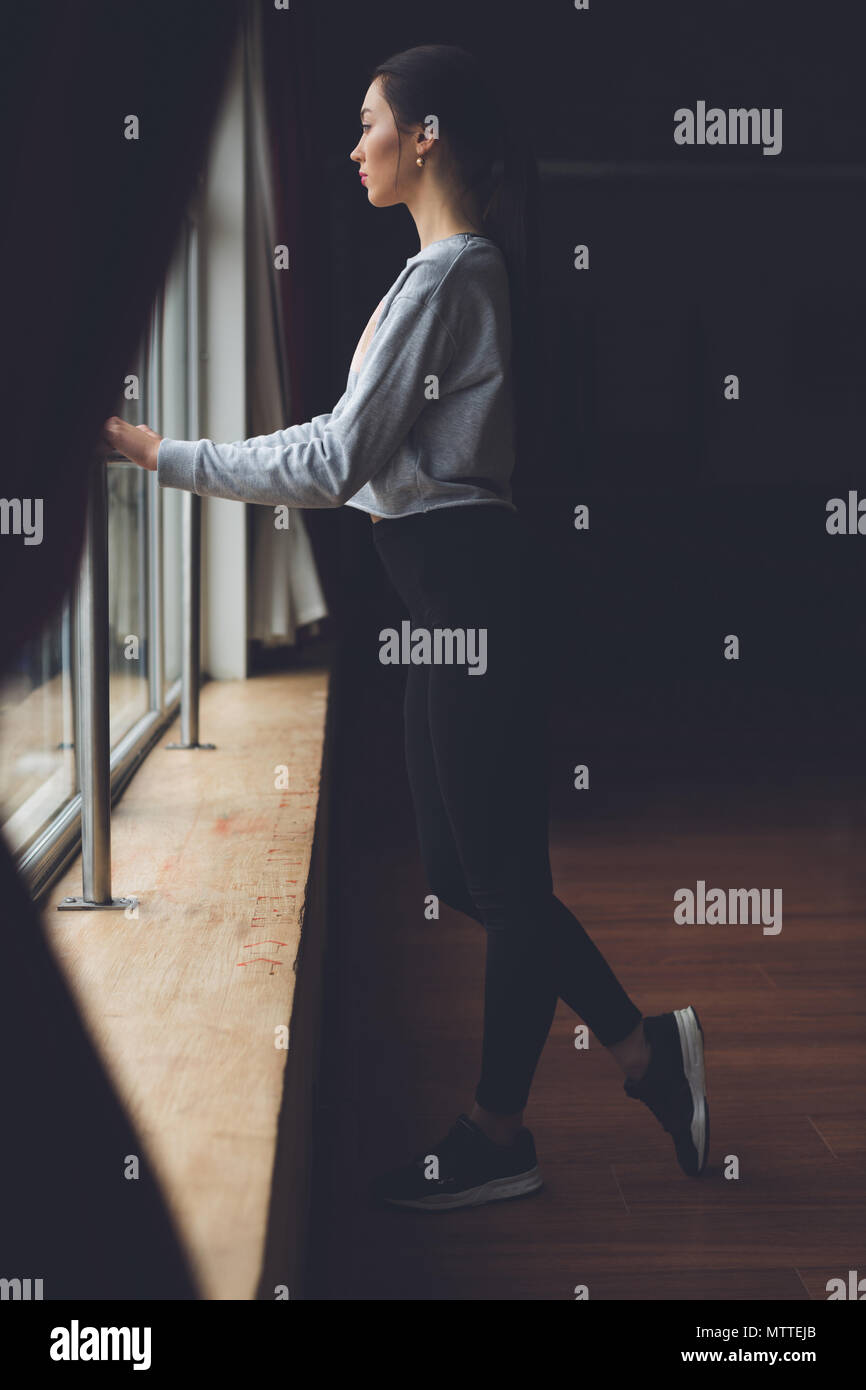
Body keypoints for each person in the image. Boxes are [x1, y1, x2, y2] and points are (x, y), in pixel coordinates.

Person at [103, 43, 709, 1213]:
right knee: (460, 868)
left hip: (468, 593)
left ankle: (497, 1131)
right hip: (437, 598)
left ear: (422, 135)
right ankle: (644, 1052)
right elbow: (348, 444)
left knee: (498, 874)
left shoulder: (448, 278)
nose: (353, 145)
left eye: (368, 122)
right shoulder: (432, 275)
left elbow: (335, 458)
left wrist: (160, 455)